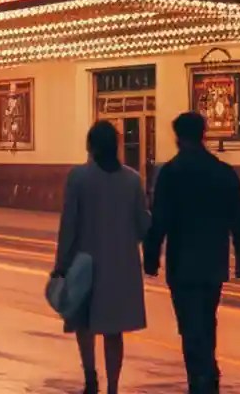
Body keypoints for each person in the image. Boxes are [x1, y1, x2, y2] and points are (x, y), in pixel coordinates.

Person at [144, 112, 240, 394]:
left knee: (189, 325)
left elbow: (160, 219)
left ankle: (200, 377)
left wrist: (151, 257)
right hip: (214, 260)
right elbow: (239, 219)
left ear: (178, 137)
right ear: (203, 134)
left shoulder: (171, 173)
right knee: (207, 318)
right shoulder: (223, 172)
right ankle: (208, 371)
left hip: (182, 263)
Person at [53, 121, 150, 394]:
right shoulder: (132, 180)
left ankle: (90, 377)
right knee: (113, 329)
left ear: (90, 146)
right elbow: (143, 224)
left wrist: (61, 264)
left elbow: (69, 225)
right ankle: (113, 387)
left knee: (84, 323)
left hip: (84, 263)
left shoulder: (78, 178)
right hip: (121, 265)